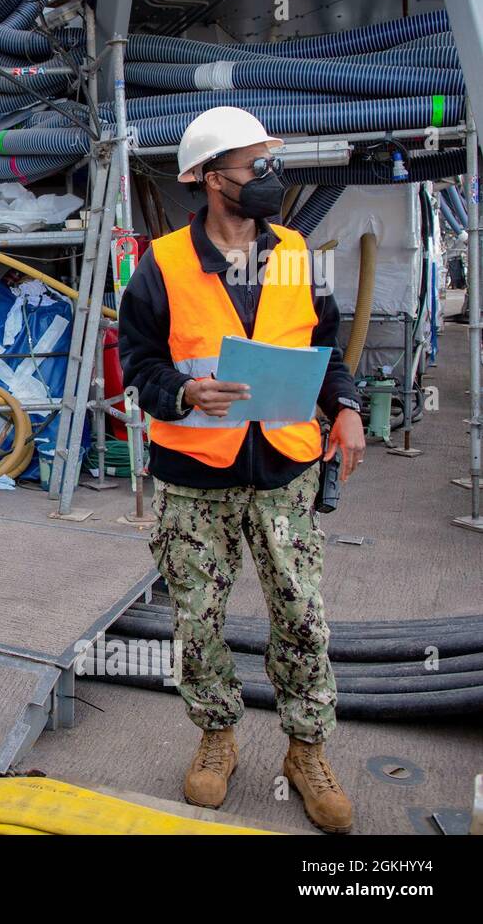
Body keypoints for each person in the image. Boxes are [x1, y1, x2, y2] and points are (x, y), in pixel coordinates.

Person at [119, 107, 366, 834]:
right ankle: (217, 737)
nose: (269, 177)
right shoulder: (161, 264)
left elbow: (325, 343)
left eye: (269, 163)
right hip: (196, 474)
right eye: (254, 167)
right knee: (198, 620)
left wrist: (346, 406)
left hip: (284, 467)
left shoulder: (295, 250)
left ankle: (306, 751)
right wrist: (183, 391)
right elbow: (138, 363)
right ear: (207, 179)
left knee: (302, 616)